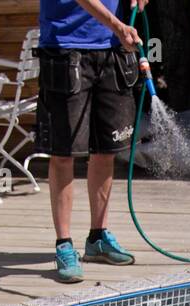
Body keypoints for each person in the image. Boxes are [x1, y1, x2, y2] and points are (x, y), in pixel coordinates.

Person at [35, 0, 151, 282]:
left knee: (105, 150)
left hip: (110, 49)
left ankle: (98, 238)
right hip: (65, 48)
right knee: (64, 153)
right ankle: (64, 244)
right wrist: (117, 25)